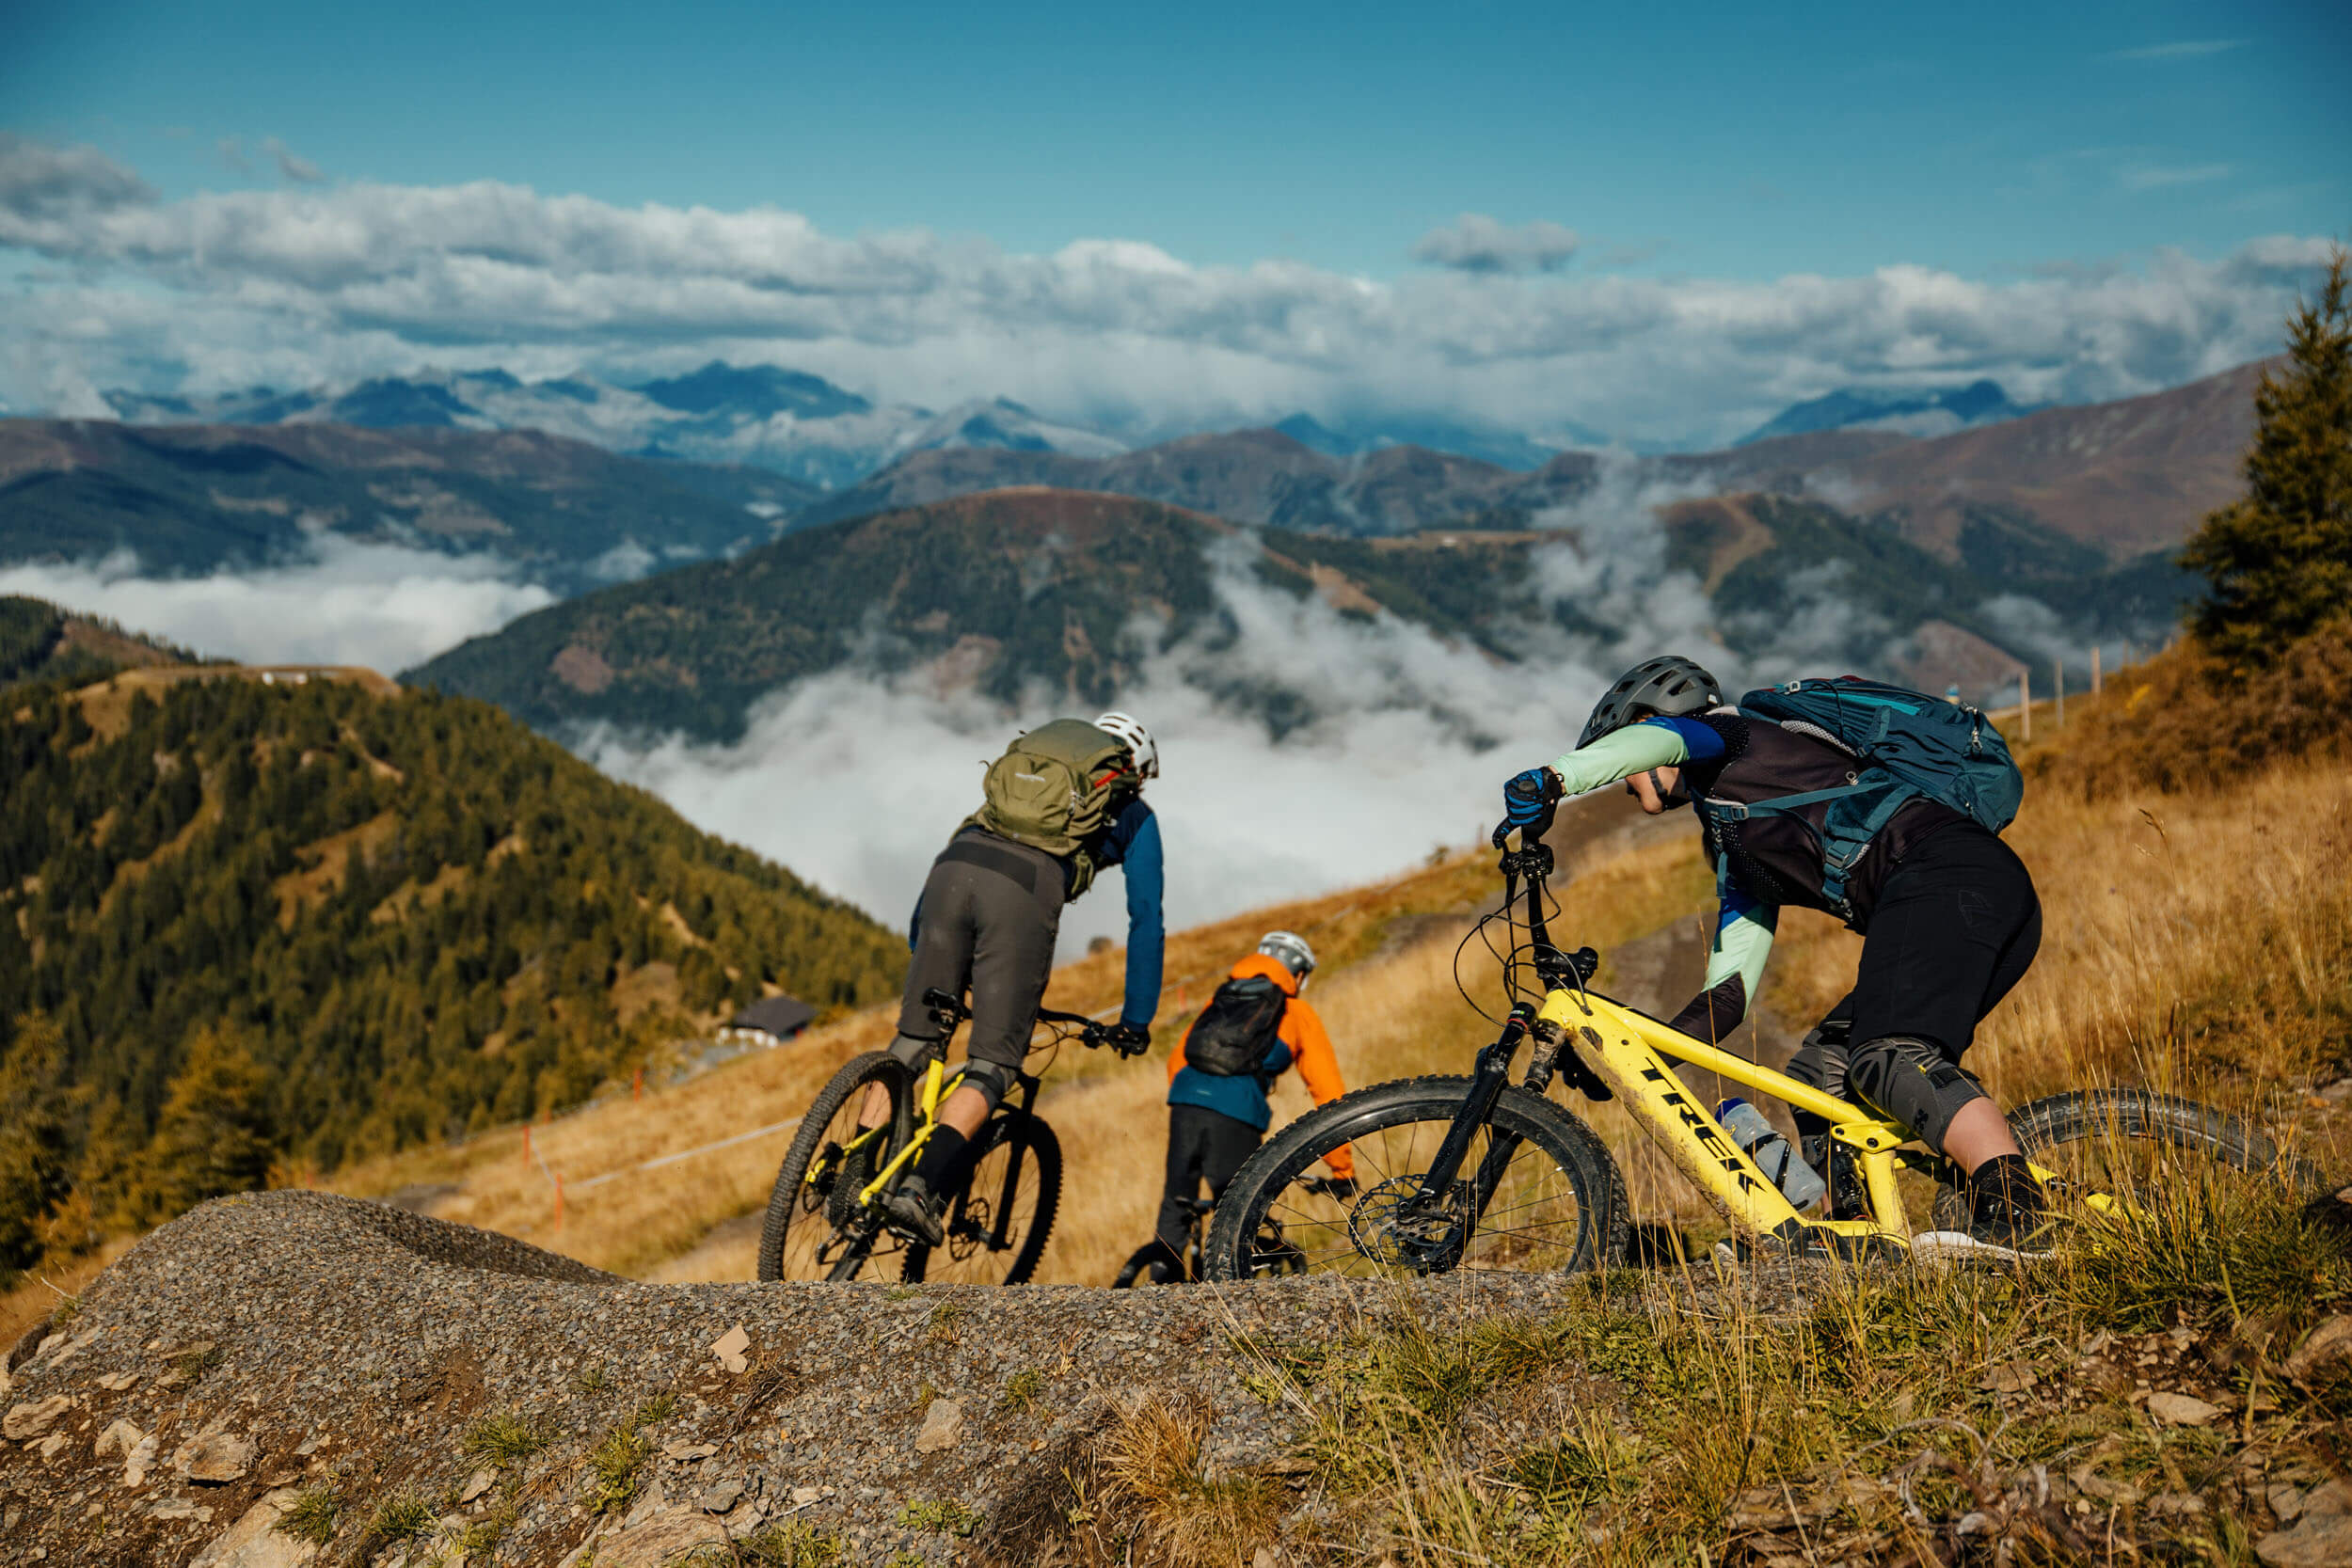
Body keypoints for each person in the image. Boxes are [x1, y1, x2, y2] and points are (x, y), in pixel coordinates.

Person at [1499, 656, 2047, 1253]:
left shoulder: (1735, 736)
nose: (1626, 784)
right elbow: (1726, 998)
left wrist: (1555, 778)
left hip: (1951, 879)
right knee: (1820, 1070)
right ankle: (1853, 1233)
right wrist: (1627, 1059)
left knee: (1889, 1055)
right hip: (1960, 895)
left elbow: (1664, 738)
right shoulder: (1737, 840)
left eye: (1625, 762)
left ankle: (2019, 1214)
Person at [879, 711, 1166, 1244]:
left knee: (914, 1040)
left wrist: (923, 943)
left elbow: (965, 834)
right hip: (1022, 892)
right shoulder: (1133, 811)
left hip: (952, 870)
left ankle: (844, 1174)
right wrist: (1136, 1019)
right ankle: (920, 1193)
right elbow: (1146, 918)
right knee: (993, 1064)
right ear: (1135, 769)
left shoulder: (1027, 776)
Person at [1145, 930, 1356, 1281]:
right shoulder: (1296, 1011)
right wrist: (1342, 1169)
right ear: (1297, 973)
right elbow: (1327, 1090)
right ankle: (1232, 1295)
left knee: (1176, 1202)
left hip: (1185, 1103)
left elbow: (1176, 1061)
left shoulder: (1221, 999)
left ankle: (1159, 1292)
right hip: (1236, 1112)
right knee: (1238, 1212)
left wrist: (1197, 1097)